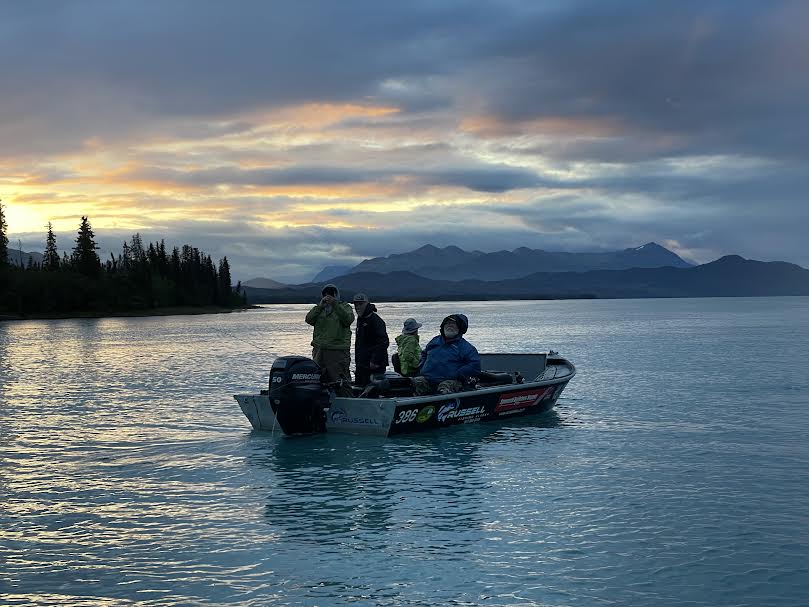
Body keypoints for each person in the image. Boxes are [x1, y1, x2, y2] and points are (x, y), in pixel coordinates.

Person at [305, 284, 354, 396]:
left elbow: (348, 320)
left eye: (331, 294)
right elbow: (309, 319)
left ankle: (347, 403)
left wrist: (335, 304)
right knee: (319, 380)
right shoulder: (319, 309)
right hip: (319, 350)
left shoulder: (345, 306)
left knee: (341, 380)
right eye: (325, 295)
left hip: (338, 351)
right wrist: (319, 306)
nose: (328, 297)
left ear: (336, 296)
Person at [413, 314, 480, 395]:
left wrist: (458, 373)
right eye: (447, 323)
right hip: (428, 378)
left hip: (450, 381)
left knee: (444, 388)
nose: (450, 325)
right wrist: (422, 368)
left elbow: (475, 366)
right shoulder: (435, 341)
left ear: (460, 327)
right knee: (412, 383)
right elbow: (424, 354)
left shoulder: (466, 348)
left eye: (453, 324)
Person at [353, 293, 389, 386]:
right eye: (356, 304)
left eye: (361, 304)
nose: (358, 307)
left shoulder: (376, 320)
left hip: (373, 366)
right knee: (360, 387)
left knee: (372, 391)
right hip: (362, 364)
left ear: (367, 304)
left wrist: (375, 361)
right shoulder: (361, 320)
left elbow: (383, 342)